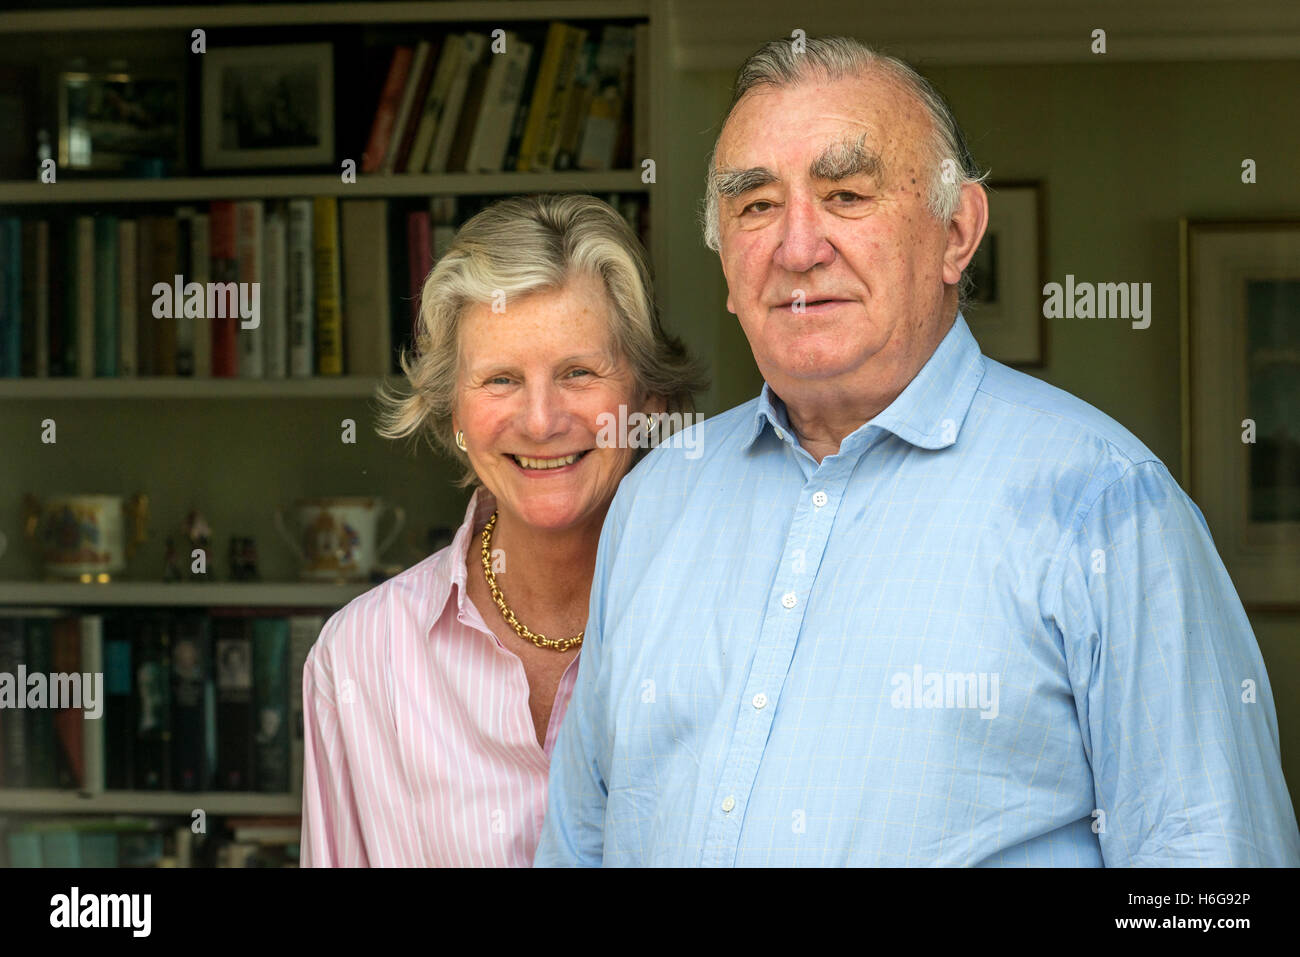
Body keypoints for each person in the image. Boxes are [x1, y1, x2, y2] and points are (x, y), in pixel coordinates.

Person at [535, 36, 1300, 866]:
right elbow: (580, 841)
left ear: (957, 232)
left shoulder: (1107, 507)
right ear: (725, 258)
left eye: (847, 194)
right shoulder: (656, 502)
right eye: (755, 205)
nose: (797, 247)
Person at [299, 194, 705, 866]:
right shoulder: (359, 658)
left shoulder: (731, 627)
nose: (541, 420)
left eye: (578, 372)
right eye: (500, 379)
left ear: (649, 396)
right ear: (451, 410)